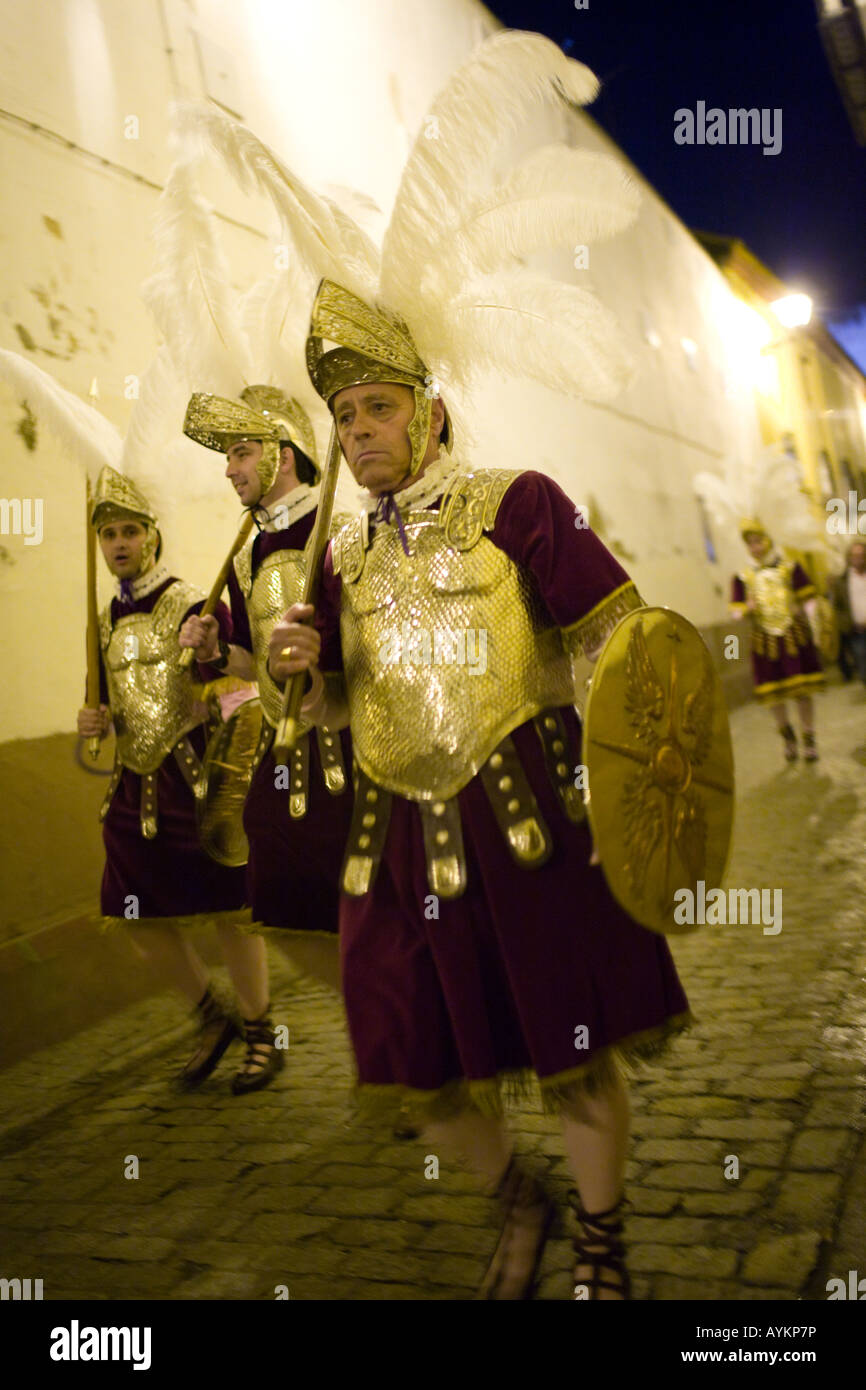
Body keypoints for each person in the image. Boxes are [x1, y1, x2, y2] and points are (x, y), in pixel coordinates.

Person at [266, 280, 692, 1301]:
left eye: (379, 406)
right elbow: (331, 705)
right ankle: (516, 1195)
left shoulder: (519, 501)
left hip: (527, 816)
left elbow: (614, 636)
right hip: (394, 839)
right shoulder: (336, 552)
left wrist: (637, 776)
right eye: (343, 415)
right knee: (411, 1058)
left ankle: (600, 1234)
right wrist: (298, 670)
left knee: (572, 1043)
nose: (360, 429)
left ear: (429, 410)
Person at [79, 465, 281, 1094]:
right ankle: (209, 1015)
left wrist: (208, 700)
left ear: (152, 536)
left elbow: (246, 689)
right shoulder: (105, 619)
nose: (118, 544)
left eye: (130, 531)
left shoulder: (193, 601)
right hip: (132, 786)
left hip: (195, 782)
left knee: (232, 909)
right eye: (108, 533)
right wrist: (94, 717)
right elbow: (110, 709)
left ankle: (261, 1035)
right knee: (133, 914)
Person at [179, 387, 353, 966]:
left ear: (282, 455)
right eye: (228, 457)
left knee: (371, 909)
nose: (229, 470)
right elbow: (256, 662)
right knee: (280, 901)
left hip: (352, 751)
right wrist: (218, 653)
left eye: (241, 453)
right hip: (284, 757)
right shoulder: (247, 552)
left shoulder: (344, 533)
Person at [730, 526, 824, 760]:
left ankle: (809, 737)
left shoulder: (790, 568)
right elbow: (734, 612)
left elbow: (809, 599)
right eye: (750, 543)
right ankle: (788, 737)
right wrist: (745, 609)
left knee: (802, 691)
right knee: (774, 694)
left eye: (758, 541)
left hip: (794, 635)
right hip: (764, 640)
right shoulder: (743, 577)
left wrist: (808, 616)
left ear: (769, 540)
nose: (755, 547)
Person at [832, 539, 866, 685]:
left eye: (861, 555)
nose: (857, 558)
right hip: (857, 631)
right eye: (854, 555)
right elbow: (838, 608)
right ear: (849, 558)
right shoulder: (842, 581)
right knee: (863, 665)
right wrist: (845, 625)